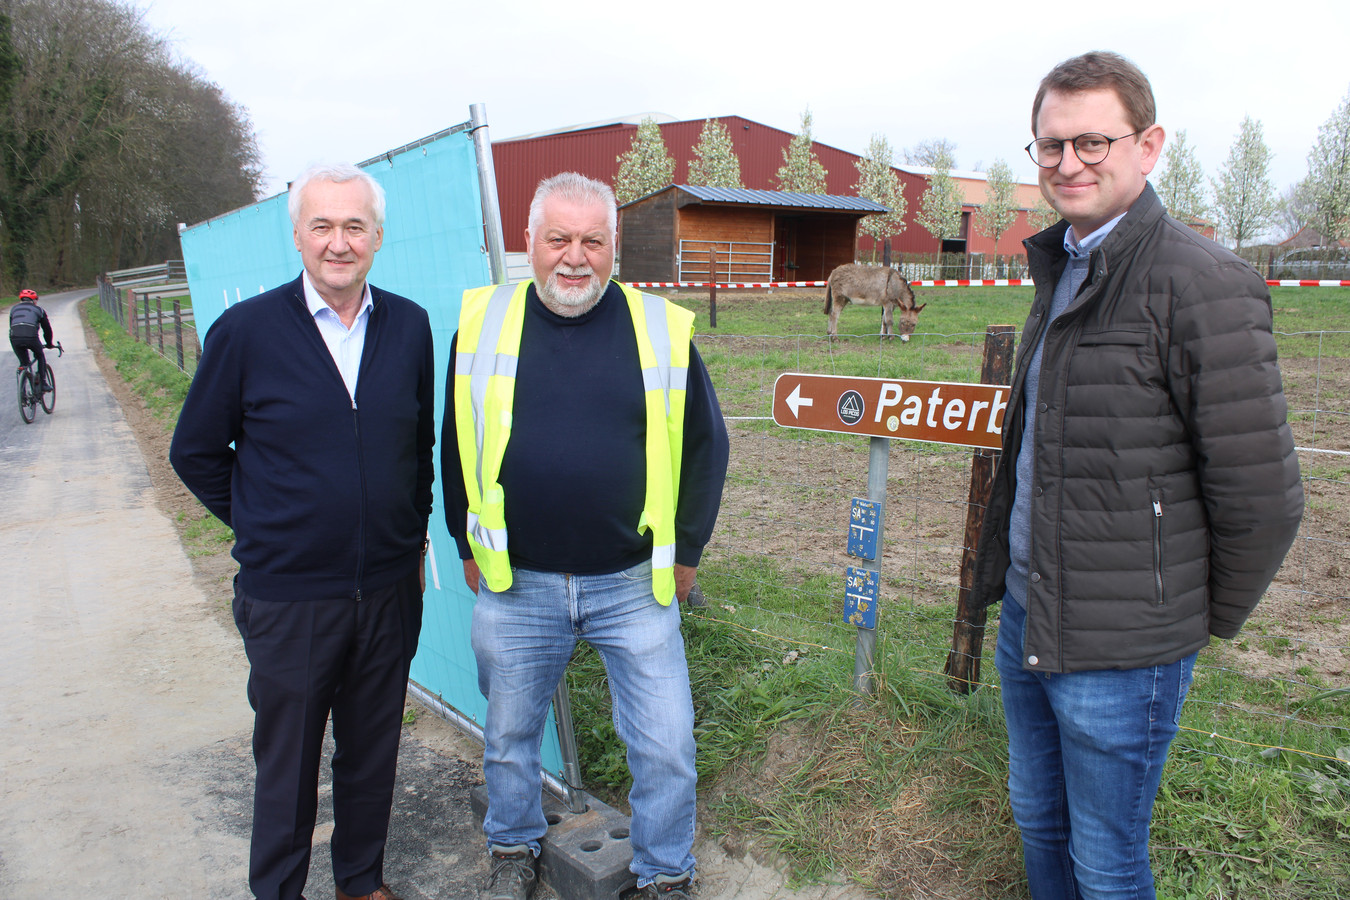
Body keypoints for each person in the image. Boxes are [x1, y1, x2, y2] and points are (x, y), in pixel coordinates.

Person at [971, 51, 1304, 898]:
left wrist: (1178, 621)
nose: (1068, 163)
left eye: (1093, 142)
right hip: (1030, 617)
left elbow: (1264, 497)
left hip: (1124, 651)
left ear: (1148, 147)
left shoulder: (1203, 283)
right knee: (1037, 821)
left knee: (1107, 860)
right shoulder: (1064, 265)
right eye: (1051, 145)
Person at [442, 172, 729, 900]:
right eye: (558, 239)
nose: (575, 257)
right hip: (518, 580)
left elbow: (707, 446)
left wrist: (687, 550)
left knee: (666, 744)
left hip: (631, 582)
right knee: (508, 735)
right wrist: (466, 542)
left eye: (592, 241)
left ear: (614, 245)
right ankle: (513, 848)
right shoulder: (480, 325)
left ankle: (666, 874)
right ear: (529, 243)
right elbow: (454, 443)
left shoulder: (659, 329)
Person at [170, 163, 435, 900]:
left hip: (387, 590)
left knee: (372, 750)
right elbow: (194, 451)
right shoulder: (246, 332)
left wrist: (409, 540)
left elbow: (418, 449)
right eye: (322, 226)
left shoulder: (409, 326)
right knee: (287, 764)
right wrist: (267, 525)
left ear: (377, 236)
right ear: (297, 237)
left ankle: (360, 881)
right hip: (288, 598)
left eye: (354, 226)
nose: (338, 242)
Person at [9, 288, 55, 387]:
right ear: (34, 300)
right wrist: (49, 343)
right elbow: (47, 330)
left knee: (24, 363)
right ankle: (43, 383)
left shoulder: (13, 309)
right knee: (40, 356)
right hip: (31, 338)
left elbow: (12, 326)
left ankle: (22, 388)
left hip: (15, 338)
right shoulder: (39, 310)